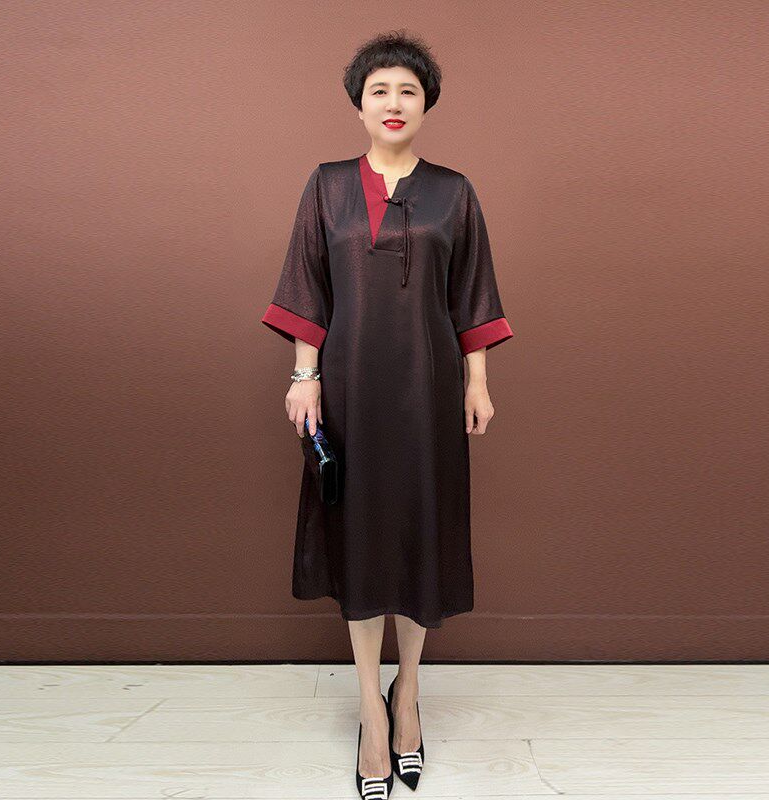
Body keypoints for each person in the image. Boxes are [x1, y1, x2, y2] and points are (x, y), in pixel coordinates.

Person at [261, 30, 514, 798]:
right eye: (380, 91)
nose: (394, 103)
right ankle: (372, 706)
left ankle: (410, 693)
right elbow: (308, 285)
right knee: (363, 538)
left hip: (430, 389)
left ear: (426, 104)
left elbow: (472, 293)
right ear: (359, 103)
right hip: (349, 392)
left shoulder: (455, 193)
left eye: (408, 90)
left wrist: (477, 381)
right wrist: (304, 376)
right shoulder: (328, 187)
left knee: (420, 535)